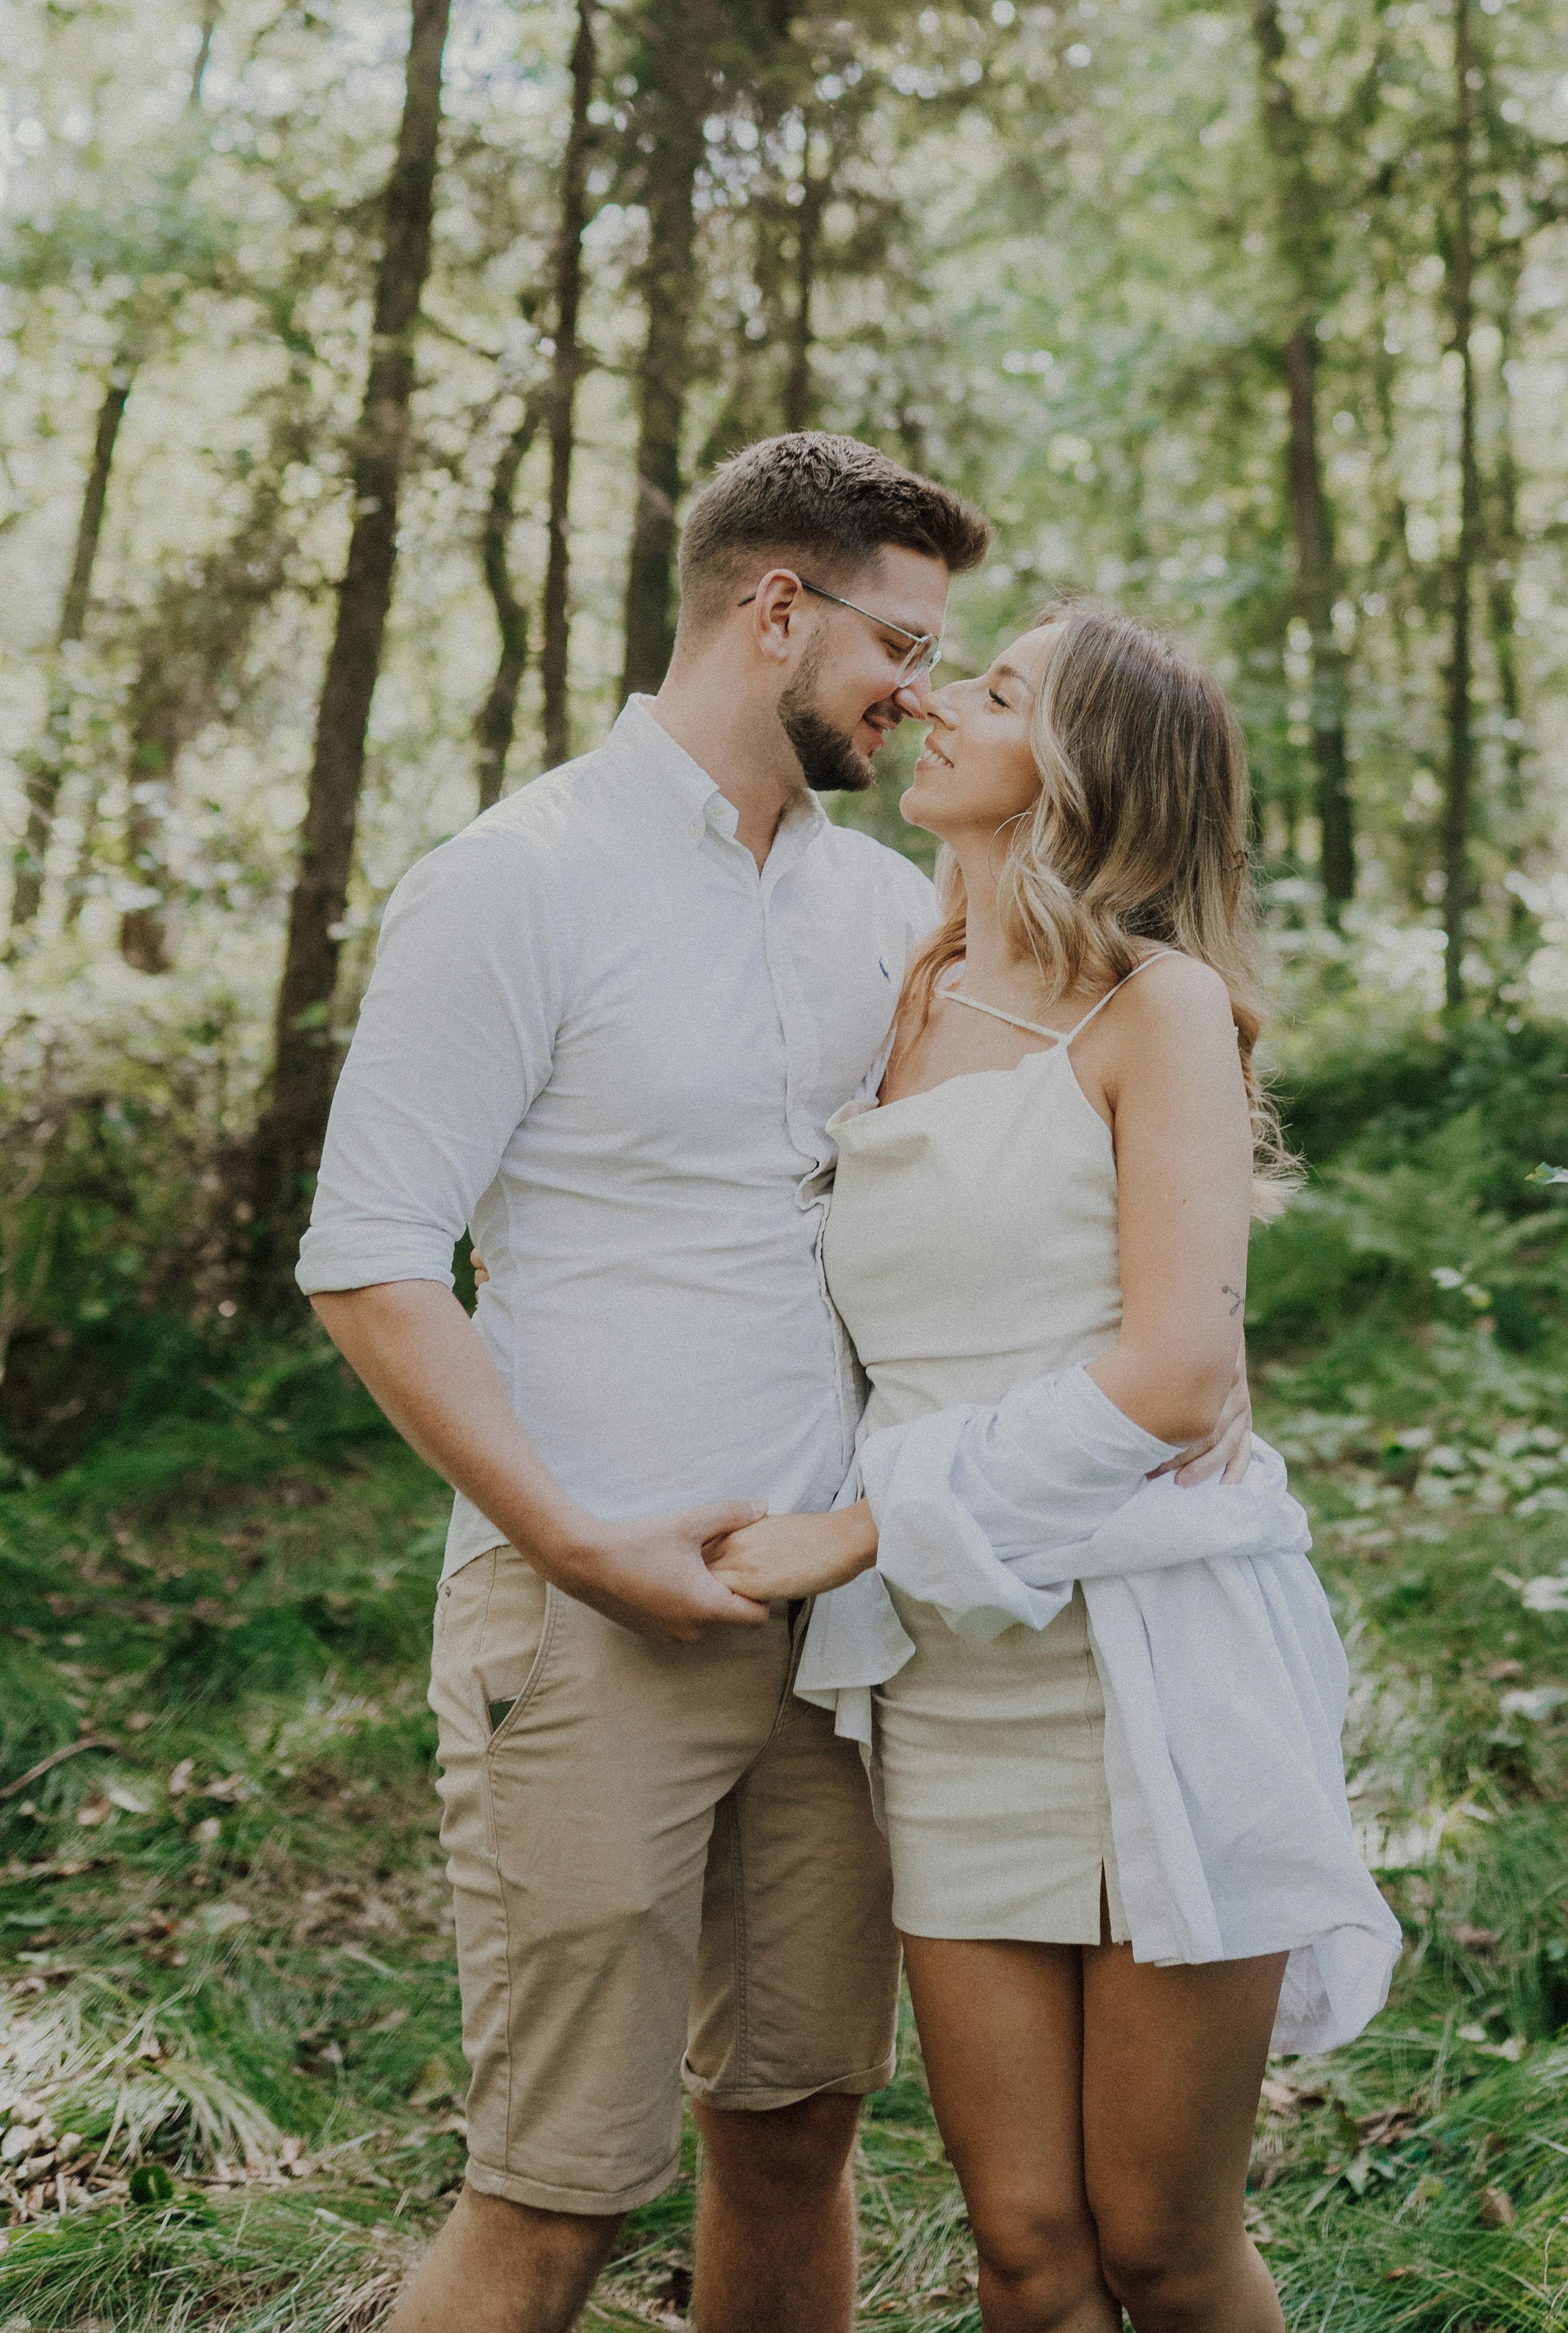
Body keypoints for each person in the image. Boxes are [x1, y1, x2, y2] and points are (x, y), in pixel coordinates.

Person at [294, 432, 996, 2333]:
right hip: (583, 1618)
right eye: (901, 644)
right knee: (556, 2196)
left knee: (796, 2132)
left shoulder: (881, 913)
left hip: (836, 1630)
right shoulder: (516, 881)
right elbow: (370, 1259)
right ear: (776, 607)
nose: (919, 691)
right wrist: (579, 1545)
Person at [706, 605, 1400, 2333]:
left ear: (1087, 773)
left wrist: (854, 1530)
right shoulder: (902, 992)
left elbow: (1176, 1378)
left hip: (1150, 1665)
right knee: (1024, 2246)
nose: (935, 699)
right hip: (948, 1690)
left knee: (1162, 2243)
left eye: (999, 690)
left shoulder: (1157, 1011)